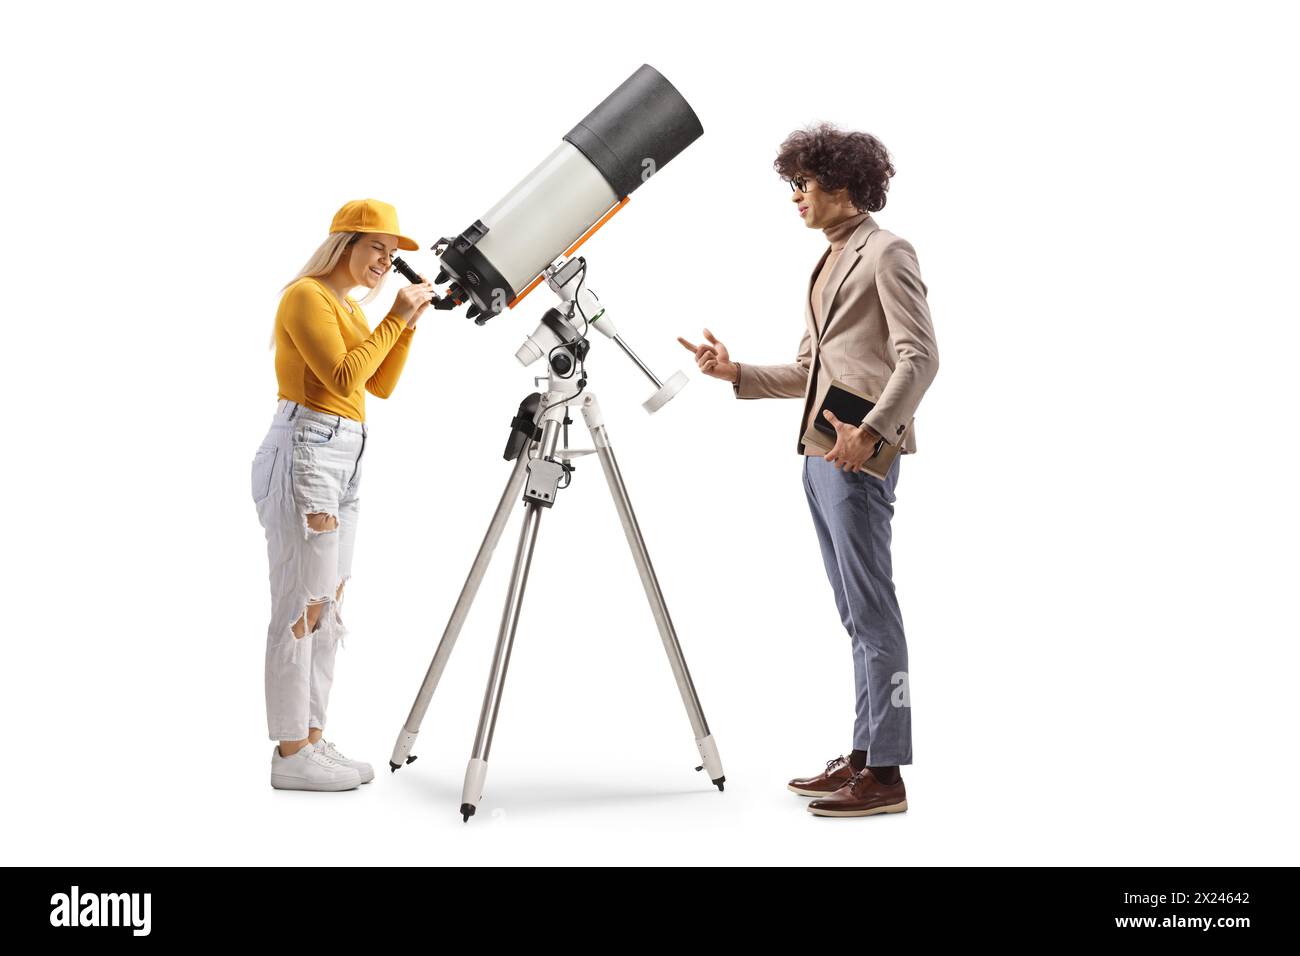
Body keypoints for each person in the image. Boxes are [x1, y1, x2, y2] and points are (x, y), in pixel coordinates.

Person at [678, 125, 939, 817]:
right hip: (822, 456)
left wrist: (875, 434)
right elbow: (807, 372)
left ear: (843, 188)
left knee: (874, 612)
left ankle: (886, 774)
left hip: (860, 458)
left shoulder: (888, 253)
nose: (796, 196)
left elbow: (920, 358)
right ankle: (863, 752)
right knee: (856, 615)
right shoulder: (827, 262)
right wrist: (734, 372)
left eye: (805, 185)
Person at [250, 199, 436, 792]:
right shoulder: (307, 296)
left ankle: (311, 736)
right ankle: (289, 750)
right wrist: (393, 319)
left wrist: (404, 326)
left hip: (343, 452)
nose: (386, 261)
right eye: (377, 248)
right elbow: (341, 379)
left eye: (392, 253)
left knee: (327, 602)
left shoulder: (352, 311)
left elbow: (377, 385)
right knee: (301, 602)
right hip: (307, 447)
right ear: (345, 245)